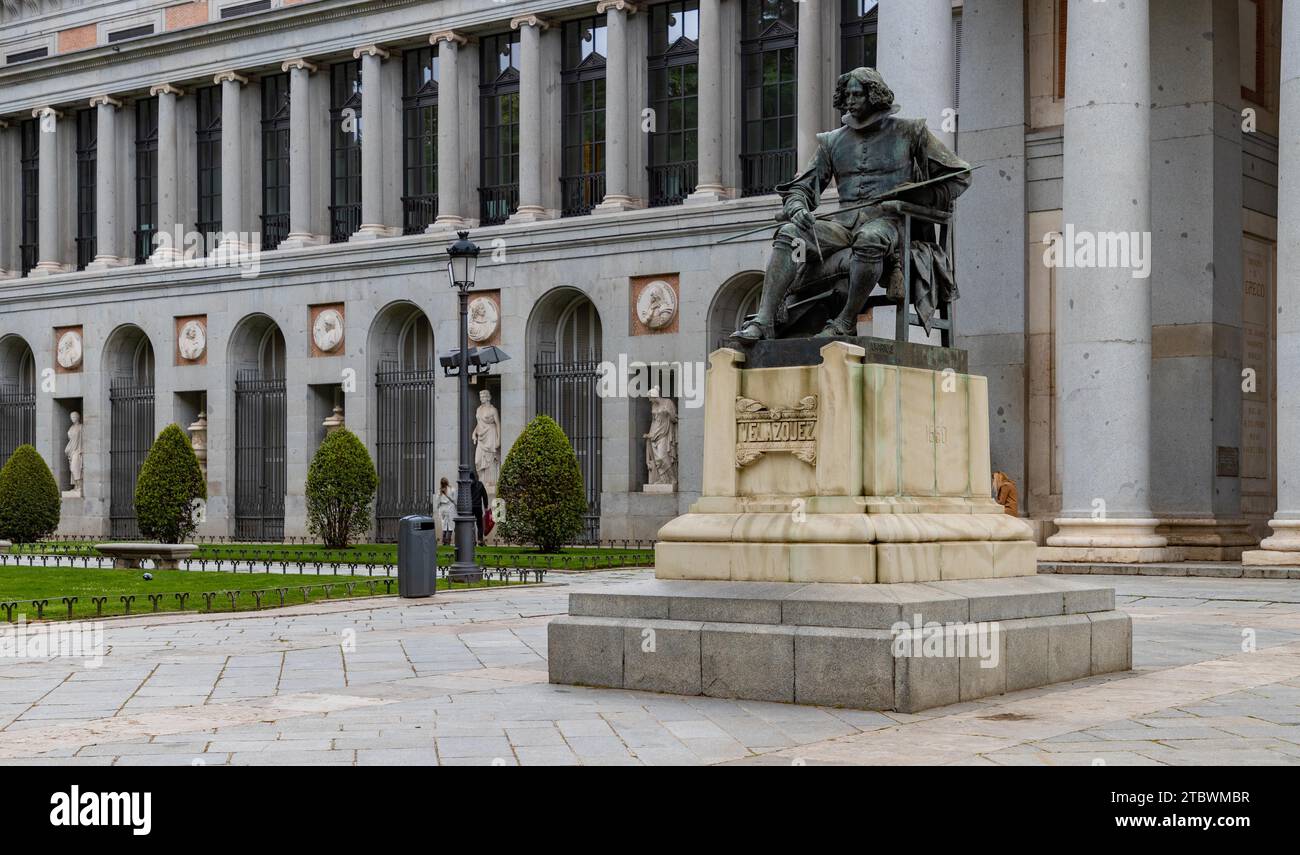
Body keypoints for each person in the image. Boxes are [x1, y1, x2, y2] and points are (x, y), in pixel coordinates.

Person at [732, 66, 970, 340]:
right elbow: (802, 187)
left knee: (869, 238)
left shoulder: (910, 131)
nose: (851, 100)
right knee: (790, 235)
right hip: (843, 225)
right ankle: (764, 322)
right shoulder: (832, 141)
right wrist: (797, 207)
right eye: (847, 95)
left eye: (857, 94)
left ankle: (845, 322)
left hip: (891, 223)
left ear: (874, 96)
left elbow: (960, 175)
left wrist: (915, 196)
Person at [470, 471, 490, 547]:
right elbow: (485, 496)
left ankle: (472, 540)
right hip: (478, 507)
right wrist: (485, 507)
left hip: (470, 508)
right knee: (480, 524)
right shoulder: (480, 484)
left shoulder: (468, 485)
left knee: (471, 524)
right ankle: (480, 540)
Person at [436, 477, 456, 546]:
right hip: (450, 507)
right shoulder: (452, 489)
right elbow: (454, 500)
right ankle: (448, 541)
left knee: (444, 525)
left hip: (442, 508)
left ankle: (444, 541)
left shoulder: (439, 491)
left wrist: (438, 509)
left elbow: (437, 501)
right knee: (450, 526)